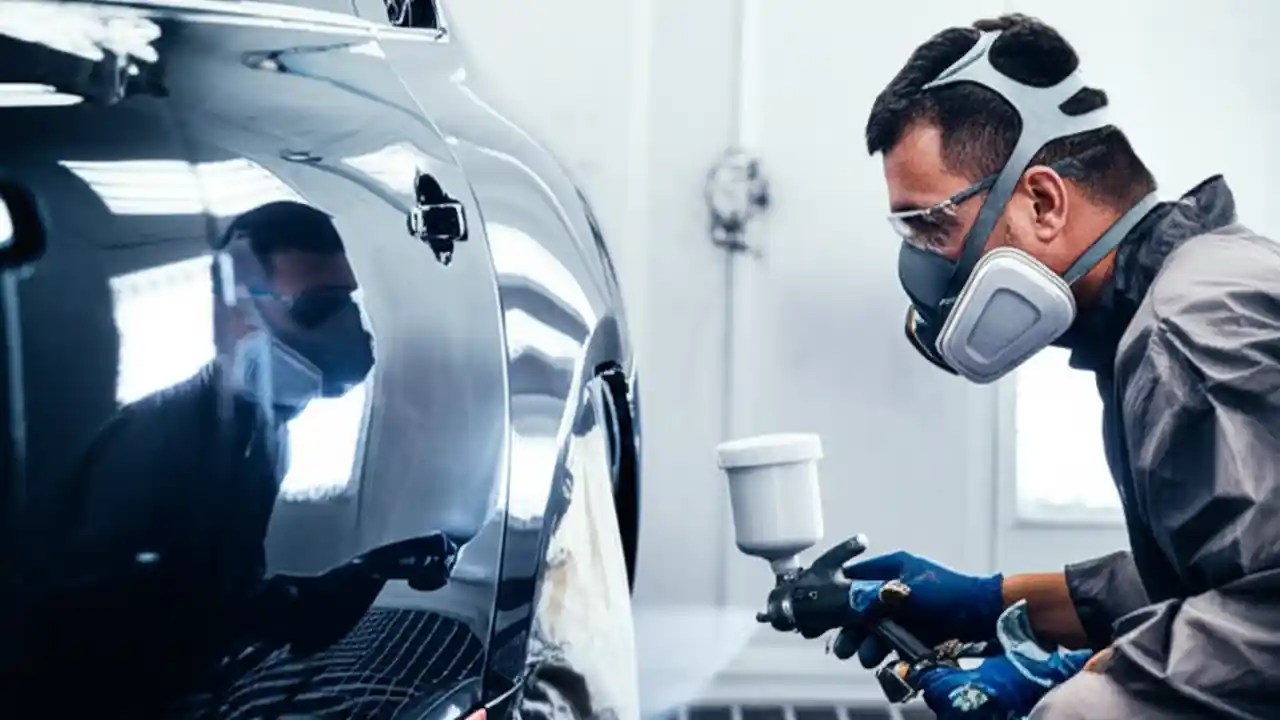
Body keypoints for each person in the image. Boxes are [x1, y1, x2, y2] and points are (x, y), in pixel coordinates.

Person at [776, 14, 1280, 720]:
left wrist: (1069, 681)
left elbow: (1267, 613)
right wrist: (988, 604)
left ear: (1043, 202)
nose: (924, 266)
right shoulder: (1181, 297)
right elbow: (1213, 577)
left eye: (930, 225)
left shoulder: (1184, 332)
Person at [8, 201, 454, 716]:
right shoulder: (153, 444)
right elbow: (98, 637)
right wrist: (292, 606)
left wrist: (363, 574)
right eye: (315, 307)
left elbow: (224, 600)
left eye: (347, 303)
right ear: (234, 316)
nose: (345, 331)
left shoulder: (265, 433)